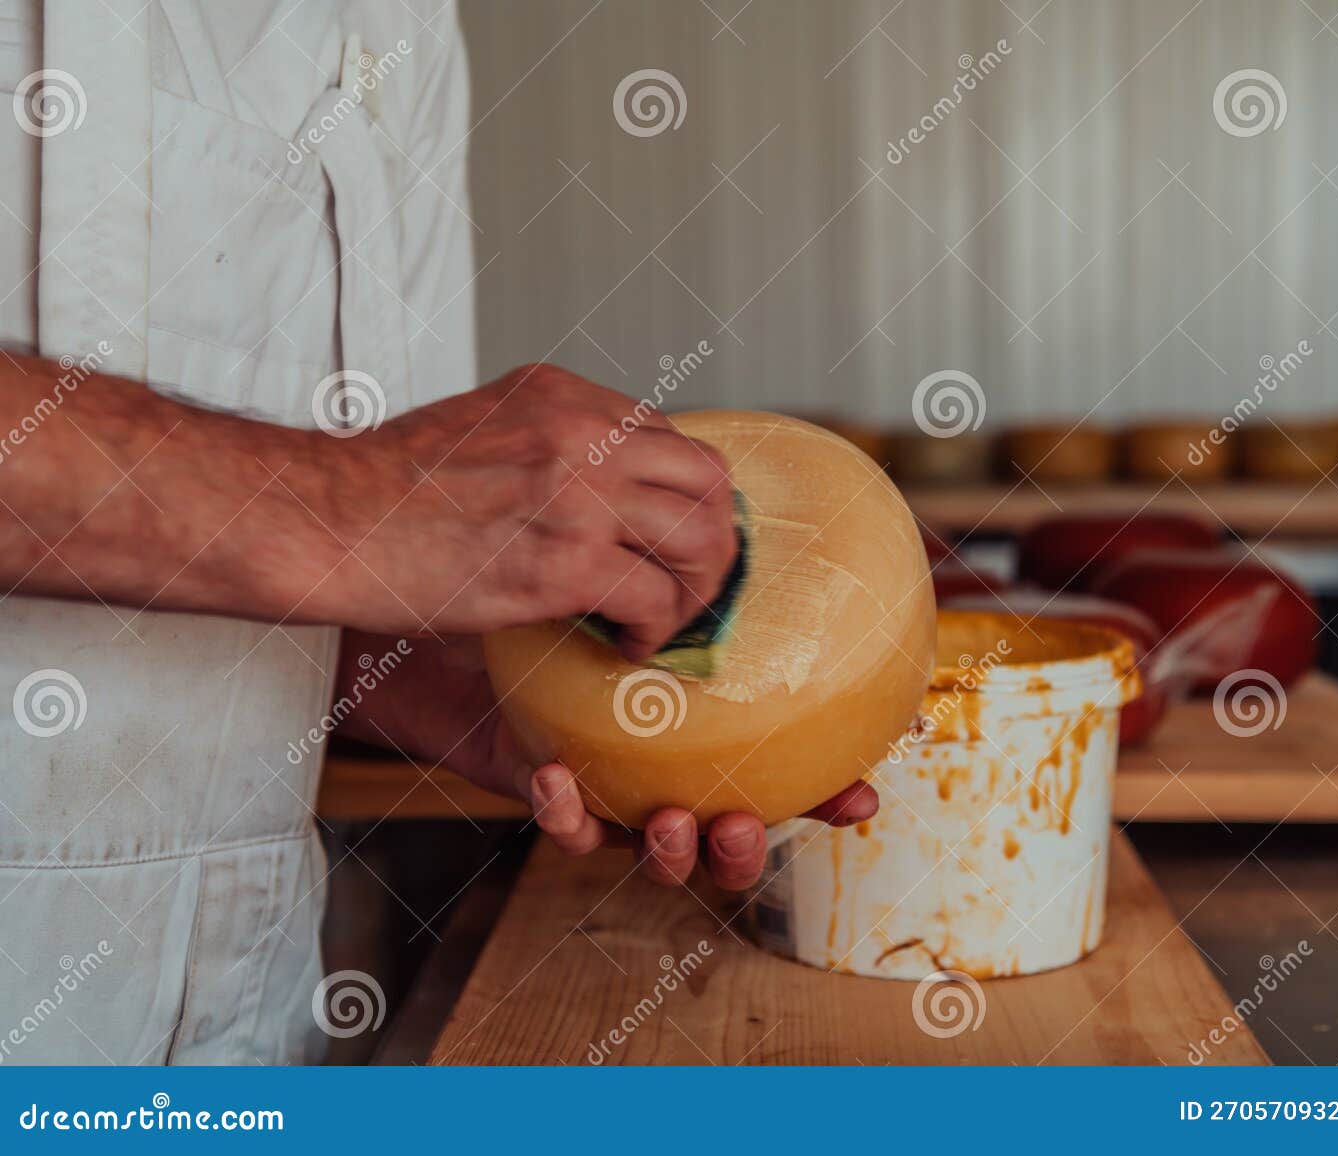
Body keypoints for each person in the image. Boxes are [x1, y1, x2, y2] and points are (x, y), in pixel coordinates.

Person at [0, 0, 873, 1064]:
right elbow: (365, 507)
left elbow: (362, 554)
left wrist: (442, 678)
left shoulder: (398, 23)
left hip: (226, 1026)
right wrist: (346, 503)